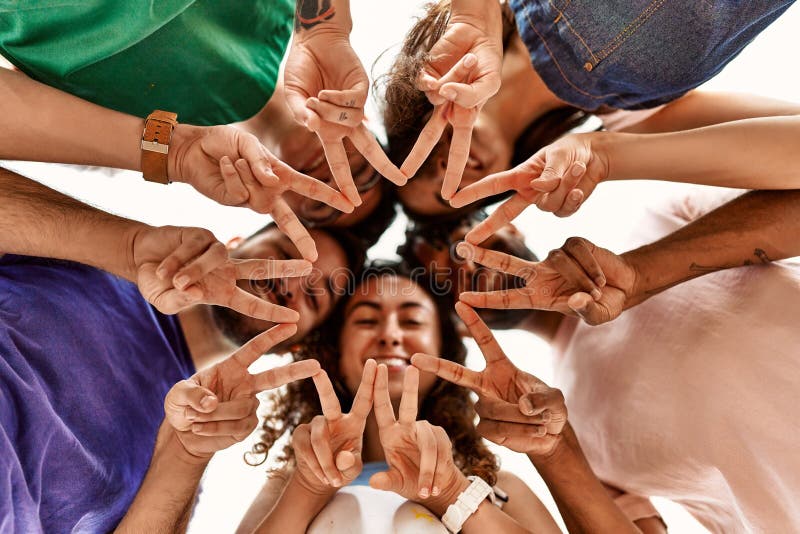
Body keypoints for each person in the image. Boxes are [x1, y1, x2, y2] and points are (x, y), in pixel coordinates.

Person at [451, 186, 800, 531]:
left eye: (462, 245)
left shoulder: (665, 222)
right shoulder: (567, 425)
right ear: (461, 328)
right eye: (447, 280)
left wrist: (639, 274)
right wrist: (555, 450)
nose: (467, 266)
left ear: (510, 227)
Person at [235, 263, 662, 533]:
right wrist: (309, 487)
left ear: (443, 354)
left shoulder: (498, 489)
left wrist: (453, 495)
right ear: (334, 355)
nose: (390, 334)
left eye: (411, 321)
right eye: (366, 320)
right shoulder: (289, 484)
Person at [397, 0, 795, 198]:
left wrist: (471, 14)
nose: (445, 168)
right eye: (449, 192)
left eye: (421, 161)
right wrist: (606, 156)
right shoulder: (634, 118)